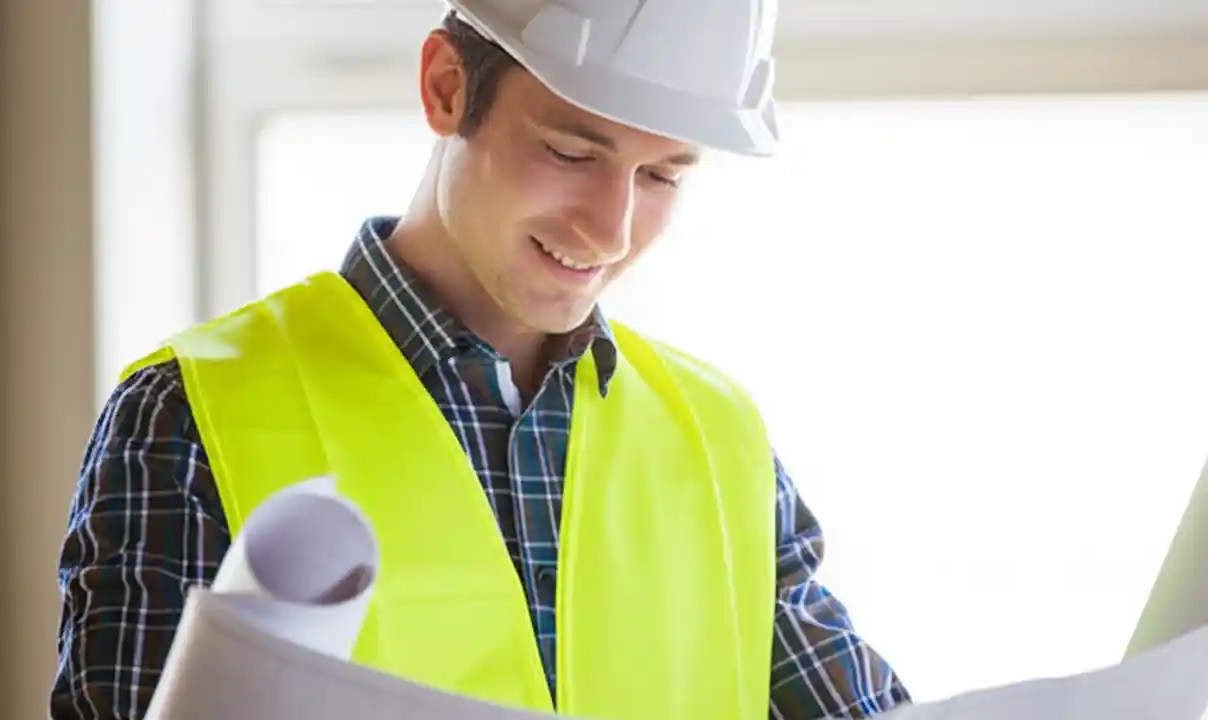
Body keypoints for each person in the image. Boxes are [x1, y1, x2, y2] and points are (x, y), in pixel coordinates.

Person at [51, 1, 912, 718]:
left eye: (663, 179)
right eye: (572, 154)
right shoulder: (191, 410)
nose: (609, 231)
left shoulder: (723, 441)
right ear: (446, 87)